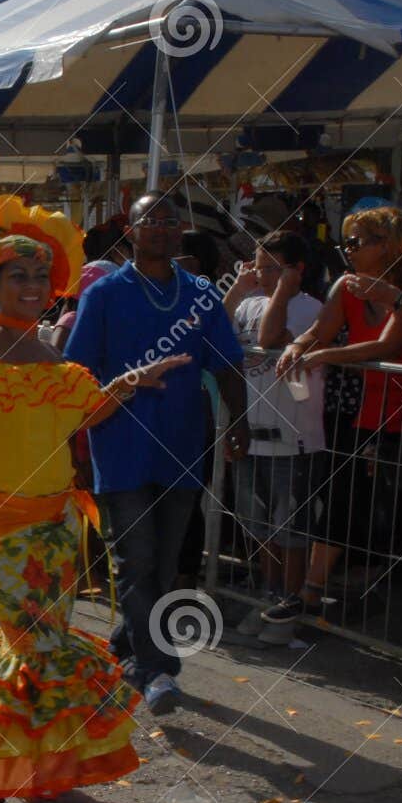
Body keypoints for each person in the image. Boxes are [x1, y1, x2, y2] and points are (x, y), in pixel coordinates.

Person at [0, 217, 188, 803]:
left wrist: (131, 383)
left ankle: (33, 768)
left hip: (57, 521)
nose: (31, 286)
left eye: (39, 276)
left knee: (46, 644)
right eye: (17, 276)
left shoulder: (52, 358)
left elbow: (86, 411)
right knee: (28, 645)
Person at [64, 192, 248, 715]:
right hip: (120, 448)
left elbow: (228, 364)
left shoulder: (202, 295)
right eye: (152, 222)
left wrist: (240, 418)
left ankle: (125, 644)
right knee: (135, 557)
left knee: (164, 565)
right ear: (132, 231)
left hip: (184, 447)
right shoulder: (104, 295)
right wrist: (73, 442)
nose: (163, 230)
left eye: (172, 222)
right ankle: (156, 668)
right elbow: (76, 375)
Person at [273, 206, 402, 635]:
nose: (349, 251)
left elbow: (386, 347)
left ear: (388, 245)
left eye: (358, 242)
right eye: (347, 243)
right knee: (341, 500)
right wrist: (297, 346)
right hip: (371, 414)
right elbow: (320, 330)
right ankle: (309, 592)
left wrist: (322, 355)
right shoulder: (346, 286)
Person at [222, 231, 325, 635]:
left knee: (292, 527)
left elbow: (269, 337)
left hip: (293, 435)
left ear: (297, 271)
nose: (262, 275)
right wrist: (238, 288)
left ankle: (290, 604)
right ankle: (268, 597)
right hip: (252, 430)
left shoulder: (308, 307)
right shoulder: (247, 303)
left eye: (272, 268)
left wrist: (281, 291)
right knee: (261, 526)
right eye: (258, 266)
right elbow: (213, 331)